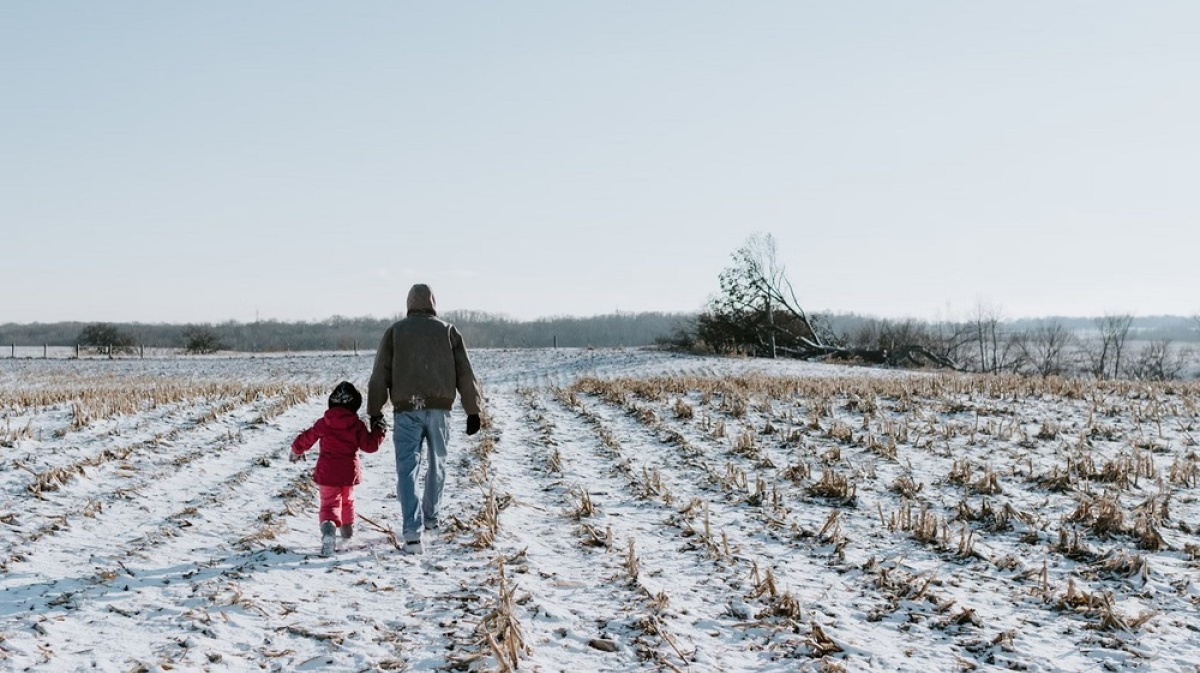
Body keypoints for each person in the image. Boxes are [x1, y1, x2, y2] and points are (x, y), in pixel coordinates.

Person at [368, 283, 483, 555]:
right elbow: (465, 373)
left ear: (409, 303)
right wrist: (473, 410)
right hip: (440, 410)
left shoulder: (395, 332)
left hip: (406, 409)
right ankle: (431, 521)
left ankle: (411, 532)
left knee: (407, 469)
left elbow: (379, 373)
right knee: (436, 464)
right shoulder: (448, 331)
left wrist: (374, 411)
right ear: (433, 302)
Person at [290, 381, 385, 556]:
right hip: (348, 472)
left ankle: (328, 533)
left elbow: (307, 438)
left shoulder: (324, 423)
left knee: (329, 504)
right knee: (347, 501)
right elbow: (370, 446)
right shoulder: (356, 425)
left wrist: (297, 450)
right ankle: (347, 533)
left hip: (327, 472)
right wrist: (379, 431)